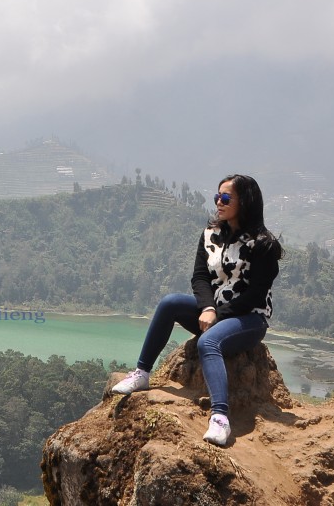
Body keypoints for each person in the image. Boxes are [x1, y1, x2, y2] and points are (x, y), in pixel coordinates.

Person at [111, 174, 283, 447]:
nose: (219, 202)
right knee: (170, 303)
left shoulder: (263, 245)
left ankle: (220, 417)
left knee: (209, 342)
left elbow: (256, 295)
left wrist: (218, 314)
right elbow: (200, 278)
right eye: (217, 197)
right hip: (212, 311)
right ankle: (142, 374)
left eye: (225, 198)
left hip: (249, 317)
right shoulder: (211, 234)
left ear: (245, 202)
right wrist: (206, 307)